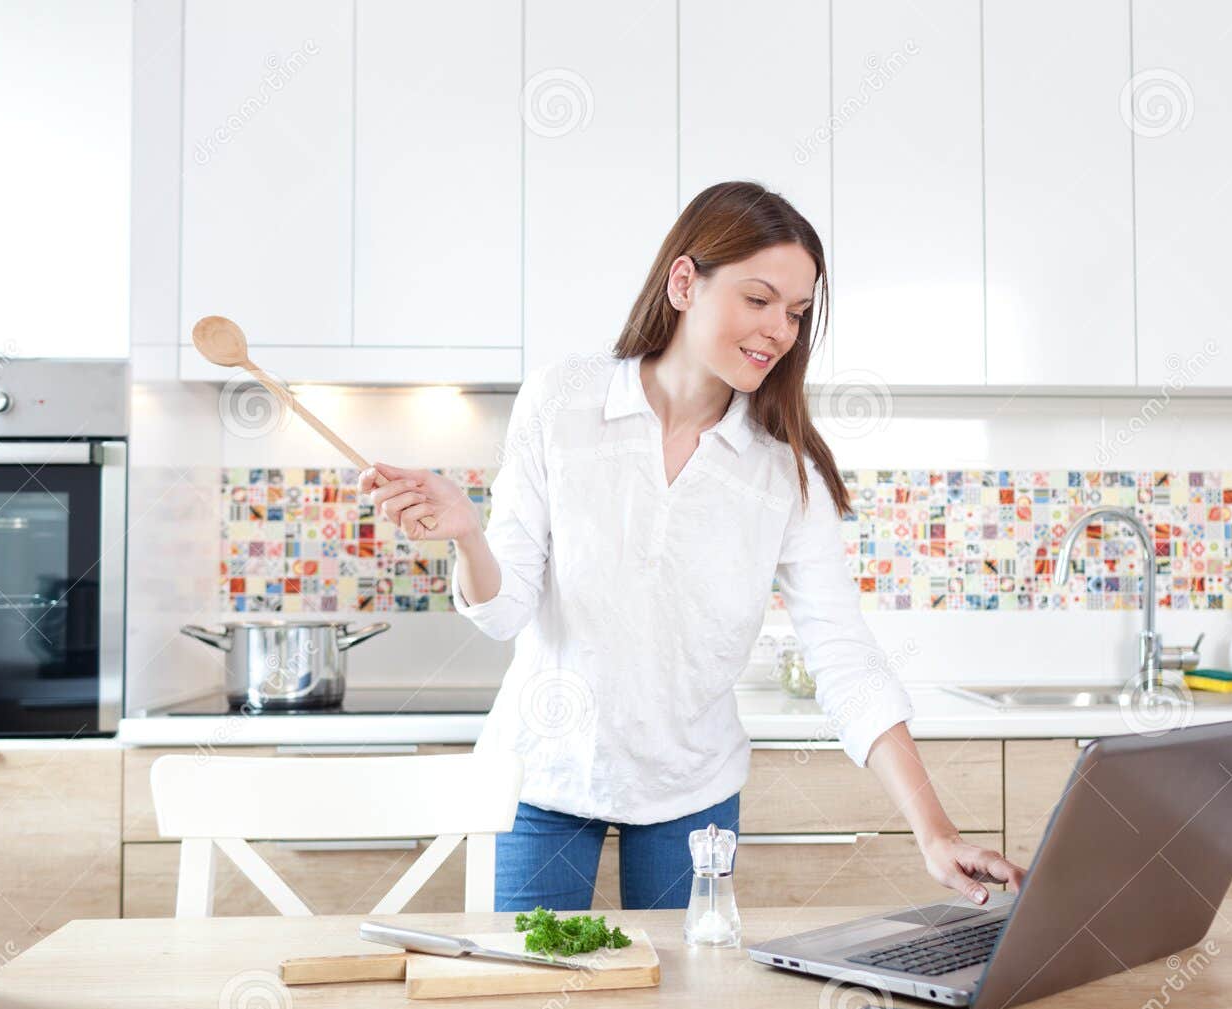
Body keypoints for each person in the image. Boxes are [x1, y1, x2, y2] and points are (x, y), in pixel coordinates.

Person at [360, 180, 1026, 912]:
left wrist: (935, 833)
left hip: (690, 794)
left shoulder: (783, 472)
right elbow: (504, 610)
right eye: (758, 299)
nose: (779, 330)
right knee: (528, 1005)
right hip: (542, 775)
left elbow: (844, 655)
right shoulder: (561, 401)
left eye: (798, 314)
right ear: (685, 282)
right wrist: (468, 537)